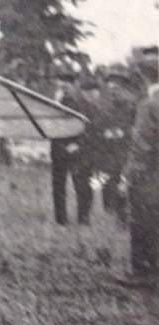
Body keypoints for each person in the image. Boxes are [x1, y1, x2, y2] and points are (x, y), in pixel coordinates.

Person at [118, 47, 159, 289]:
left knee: (144, 220)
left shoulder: (149, 105)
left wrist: (128, 176)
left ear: (143, 77)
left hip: (150, 175)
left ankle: (144, 272)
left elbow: (142, 145)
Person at [50, 70, 96, 226]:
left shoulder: (83, 103)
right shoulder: (52, 103)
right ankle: (61, 220)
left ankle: (84, 219)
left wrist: (78, 144)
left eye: (67, 83)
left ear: (74, 84)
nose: (64, 86)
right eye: (60, 81)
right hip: (58, 148)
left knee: (82, 185)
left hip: (78, 150)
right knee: (58, 186)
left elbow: (90, 126)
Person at [95, 66, 137, 219]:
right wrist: (104, 133)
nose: (113, 92)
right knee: (108, 180)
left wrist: (123, 132)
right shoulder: (105, 106)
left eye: (117, 88)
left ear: (123, 87)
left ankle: (123, 214)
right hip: (108, 150)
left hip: (124, 149)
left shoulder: (131, 105)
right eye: (111, 88)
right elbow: (98, 125)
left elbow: (136, 127)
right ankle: (111, 211)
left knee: (123, 181)